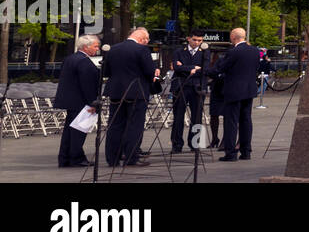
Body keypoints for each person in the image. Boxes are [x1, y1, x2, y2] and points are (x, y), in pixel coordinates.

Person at [103, 28, 159, 167]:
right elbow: (149, 72)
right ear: (143, 39)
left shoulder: (113, 49)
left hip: (116, 92)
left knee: (115, 125)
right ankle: (131, 157)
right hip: (137, 92)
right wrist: (155, 73)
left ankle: (112, 158)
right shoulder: (142, 50)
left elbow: (106, 71)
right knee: (134, 126)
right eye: (146, 40)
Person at [208, 28, 260, 161]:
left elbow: (221, 68)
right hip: (249, 90)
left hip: (234, 91)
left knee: (231, 122)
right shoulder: (255, 51)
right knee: (246, 121)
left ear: (233, 37)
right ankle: (246, 151)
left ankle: (230, 153)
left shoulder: (234, 52)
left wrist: (201, 71)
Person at [53, 34, 101, 168]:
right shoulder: (83, 61)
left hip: (71, 101)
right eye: (95, 46)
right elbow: (87, 84)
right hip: (81, 102)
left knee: (69, 132)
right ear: (86, 47)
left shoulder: (70, 59)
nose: (97, 49)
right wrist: (93, 103)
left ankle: (65, 157)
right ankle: (76, 158)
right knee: (78, 132)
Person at [170, 33, 208, 153]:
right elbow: (176, 67)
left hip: (197, 87)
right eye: (194, 40)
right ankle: (176, 145)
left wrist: (185, 67)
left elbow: (205, 69)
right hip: (181, 86)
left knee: (197, 117)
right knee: (178, 116)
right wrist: (193, 68)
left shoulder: (205, 51)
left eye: (199, 40)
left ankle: (195, 144)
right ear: (188, 39)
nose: (197, 43)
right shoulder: (179, 51)